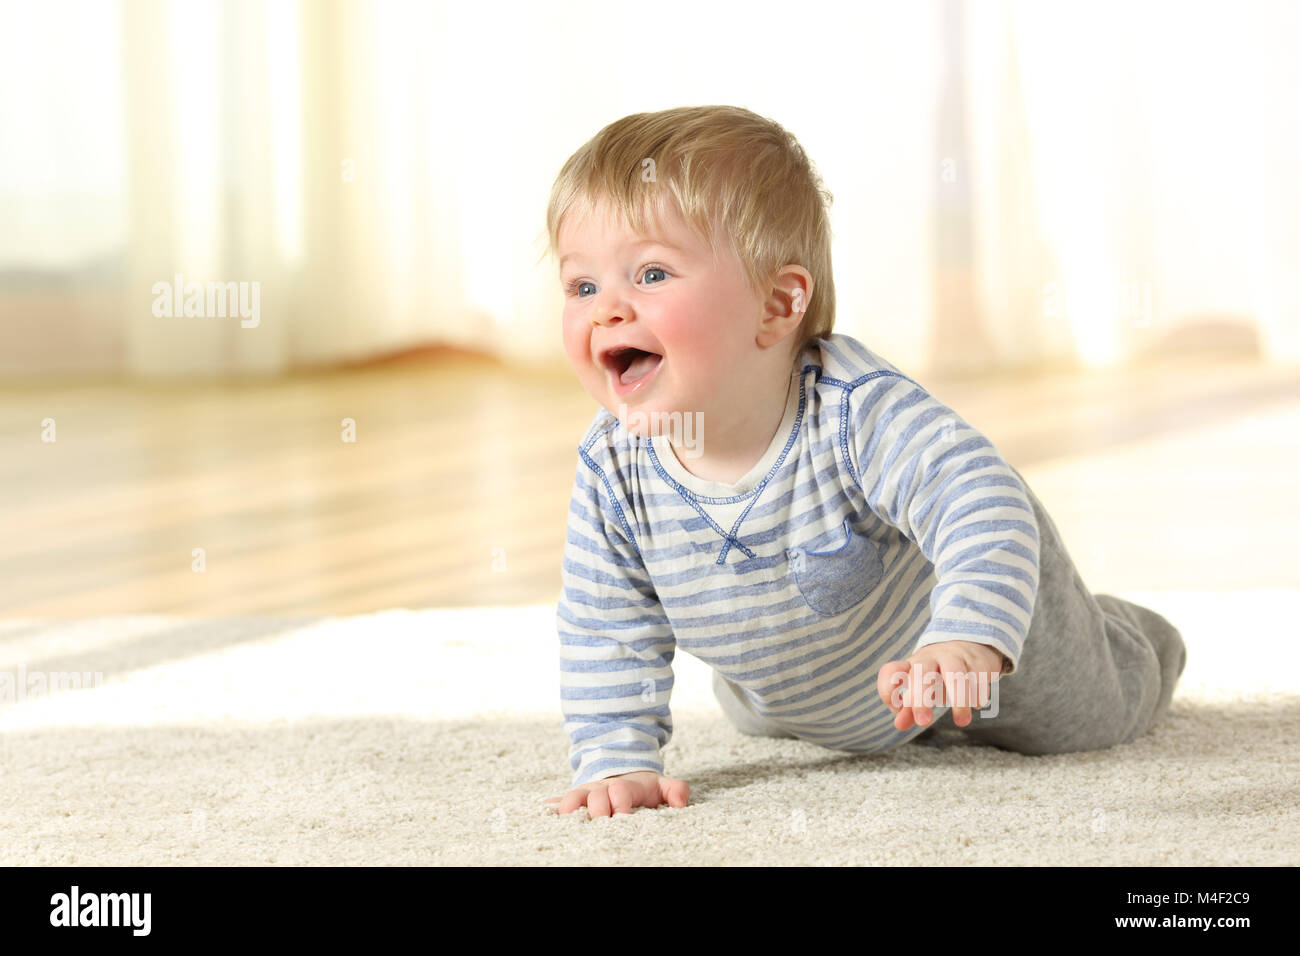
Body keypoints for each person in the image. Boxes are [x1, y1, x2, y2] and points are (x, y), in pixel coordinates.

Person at [542, 105, 1186, 819]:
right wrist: (616, 759)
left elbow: (980, 500)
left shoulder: (855, 413)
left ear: (778, 304)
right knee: (769, 716)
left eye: (652, 273)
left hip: (967, 618)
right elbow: (606, 624)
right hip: (818, 680)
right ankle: (823, 687)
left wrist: (965, 636)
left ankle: (1131, 635)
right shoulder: (613, 466)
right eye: (582, 286)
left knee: (1085, 717)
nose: (606, 311)